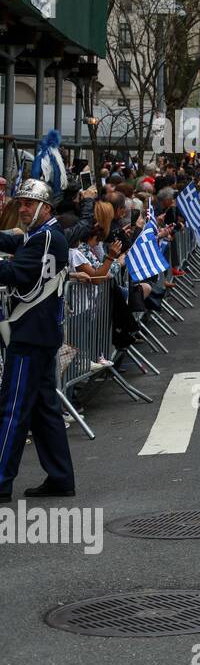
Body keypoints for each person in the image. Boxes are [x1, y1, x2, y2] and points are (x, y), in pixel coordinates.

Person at [0, 138, 76, 503]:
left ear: (45, 207)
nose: (23, 209)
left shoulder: (46, 238)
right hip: (40, 334)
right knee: (45, 409)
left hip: (30, 334)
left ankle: (0, 480)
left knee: (13, 409)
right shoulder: (41, 235)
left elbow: (16, 272)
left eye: (29, 204)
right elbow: (16, 242)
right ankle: (60, 476)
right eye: (20, 203)